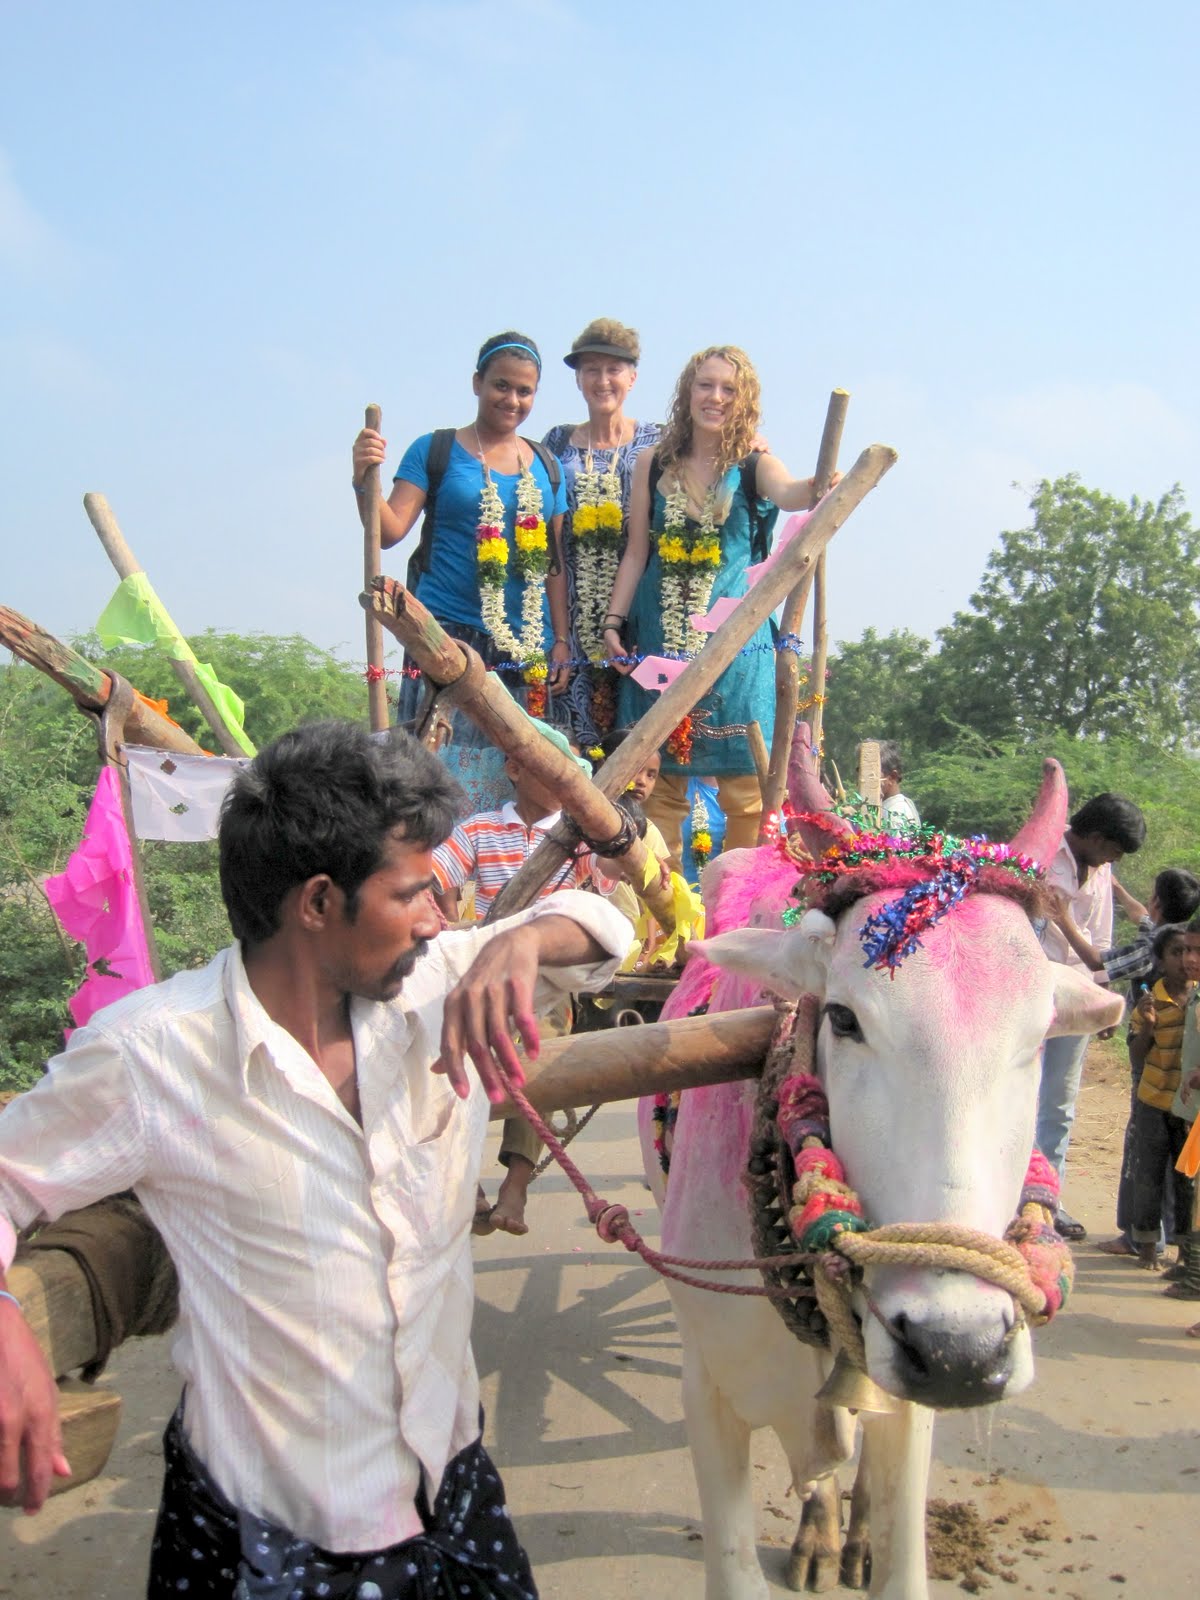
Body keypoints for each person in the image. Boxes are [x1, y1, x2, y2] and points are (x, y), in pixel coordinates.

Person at [0, 720, 631, 1598]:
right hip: (271, 1540)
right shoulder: (152, 1056)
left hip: (452, 1493)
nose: (438, 917)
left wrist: (517, 943)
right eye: (413, 893)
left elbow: (609, 924)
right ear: (319, 902)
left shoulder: (440, 976)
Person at [601, 345, 835, 864]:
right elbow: (637, 550)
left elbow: (795, 493)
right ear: (687, 392)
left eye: (729, 389)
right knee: (654, 786)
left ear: (744, 400)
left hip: (737, 647)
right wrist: (614, 622)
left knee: (746, 790)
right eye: (705, 385)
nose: (715, 397)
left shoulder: (754, 464)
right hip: (659, 642)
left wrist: (823, 484)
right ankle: (660, 925)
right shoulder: (652, 463)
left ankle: (735, 922)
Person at [352, 332, 572, 802]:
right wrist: (361, 479)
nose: (511, 399)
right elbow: (388, 530)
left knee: (510, 778)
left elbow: (554, 566)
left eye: (524, 391)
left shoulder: (548, 468)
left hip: (521, 647)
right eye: (501, 386)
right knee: (429, 776)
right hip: (442, 635)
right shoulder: (436, 450)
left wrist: (560, 640)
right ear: (477, 383)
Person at [431, 721, 626, 1237]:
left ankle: (514, 1185)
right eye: (546, 769)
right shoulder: (477, 830)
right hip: (483, 963)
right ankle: (466, 1181)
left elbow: (609, 882)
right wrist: (451, 926)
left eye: (566, 772)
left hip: (549, 978)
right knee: (452, 1053)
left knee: (534, 1058)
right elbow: (436, 875)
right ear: (514, 769)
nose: (560, 781)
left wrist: (614, 838)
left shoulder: (580, 837)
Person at [541, 319, 662, 745]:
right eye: (591, 369)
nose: (602, 380)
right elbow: (548, 548)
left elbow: (711, 460)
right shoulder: (555, 443)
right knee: (570, 744)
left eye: (613, 369)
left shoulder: (659, 443)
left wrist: (753, 442)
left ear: (633, 376)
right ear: (577, 378)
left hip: (641, 615)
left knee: (637, 740)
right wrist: (557, 635)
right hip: (571, 618)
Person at [1035, 791, 1146, 1238]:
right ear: (1096, 837)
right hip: (1031, 989)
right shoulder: (1043, 853)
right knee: (1017, 1092)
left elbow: (1102, 938)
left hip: (1077, 995)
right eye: (1114, 850)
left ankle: (1047, 1199)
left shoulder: (1102, 870)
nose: (1113, 859)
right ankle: (1006, 1192)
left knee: (1059, 1105)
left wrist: (1105, 1002)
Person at [1127, 923, 1196, 1268]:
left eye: (1190, 951)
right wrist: (1150, 1025)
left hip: (1188, 1108)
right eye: (1176, 952)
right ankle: (1148, 1247)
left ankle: (1185, 1250)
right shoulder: (1151, 1000)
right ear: (1161, 960)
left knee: (1187, 1180)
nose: (1186, 959)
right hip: (1154, 1101)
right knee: (1149, 1176)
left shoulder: (1197, 997)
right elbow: (1137, 1057)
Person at [878, 740, 921, 832]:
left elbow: (896, 846)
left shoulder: (895, 812)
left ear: (892, 777)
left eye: (870, 775)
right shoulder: (885, 807)